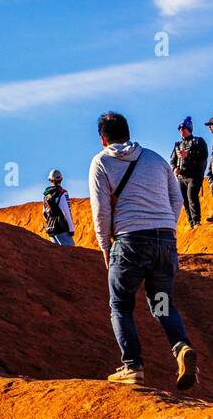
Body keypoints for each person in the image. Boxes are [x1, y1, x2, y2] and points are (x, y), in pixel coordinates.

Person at [88, 111, 198, 389]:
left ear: (103, 139)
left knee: (120, 304)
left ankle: (132, 366)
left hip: (129, 243)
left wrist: (105, 247)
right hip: (164, 243)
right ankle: (181, 346)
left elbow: (101, 211)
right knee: (162, 302)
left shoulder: (101, 162)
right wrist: (165, 229)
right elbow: (177, 199)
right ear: (128, 132)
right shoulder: (156, 159)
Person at [169, 116, 207, 228]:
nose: (181, 130)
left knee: (192, 197)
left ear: (189, 129)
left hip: (194, 176)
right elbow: (172, 159)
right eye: (179, 128)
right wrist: (174, 168)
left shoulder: (198, 141)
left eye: (183, 128)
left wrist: (188, 155)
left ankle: (196, 221)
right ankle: (191, 223)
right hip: (181, 177)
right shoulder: (177, 144)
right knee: (184, 200)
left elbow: (204, 155)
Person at [43, 169, 75, 245]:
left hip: (50, 229)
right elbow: (67, 212)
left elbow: (44, 213)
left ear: (50, 180)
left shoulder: (46, 194)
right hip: (61, 228)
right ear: (61, 179)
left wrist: (49, 225)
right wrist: (71, 229)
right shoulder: (63, 193)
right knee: (71, 252)